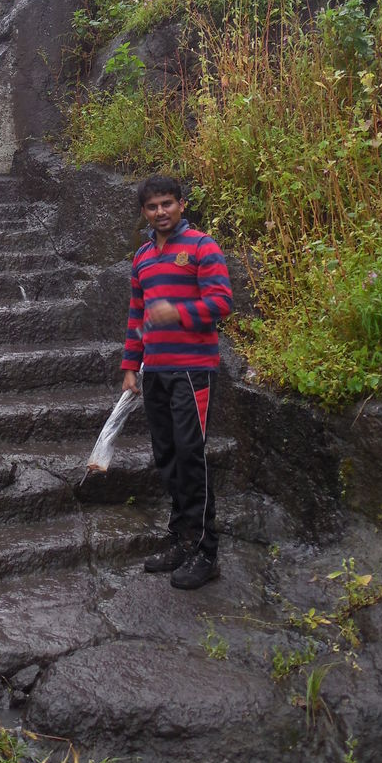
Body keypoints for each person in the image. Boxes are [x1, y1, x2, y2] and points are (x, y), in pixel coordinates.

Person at [121, 174, 232, 589]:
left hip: (193, 370)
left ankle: (205, 551)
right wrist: (130, 366)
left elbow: (222, 302)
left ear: (182, 204)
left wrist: (178, 313)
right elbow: (137, 315)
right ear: (144, 213)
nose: (160, 212)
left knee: (191, 454)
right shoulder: (143, 258)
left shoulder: (203, 246)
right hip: (155, 371)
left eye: (167, 203)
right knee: (167, 456)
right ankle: (182, 540)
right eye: (152, 207)